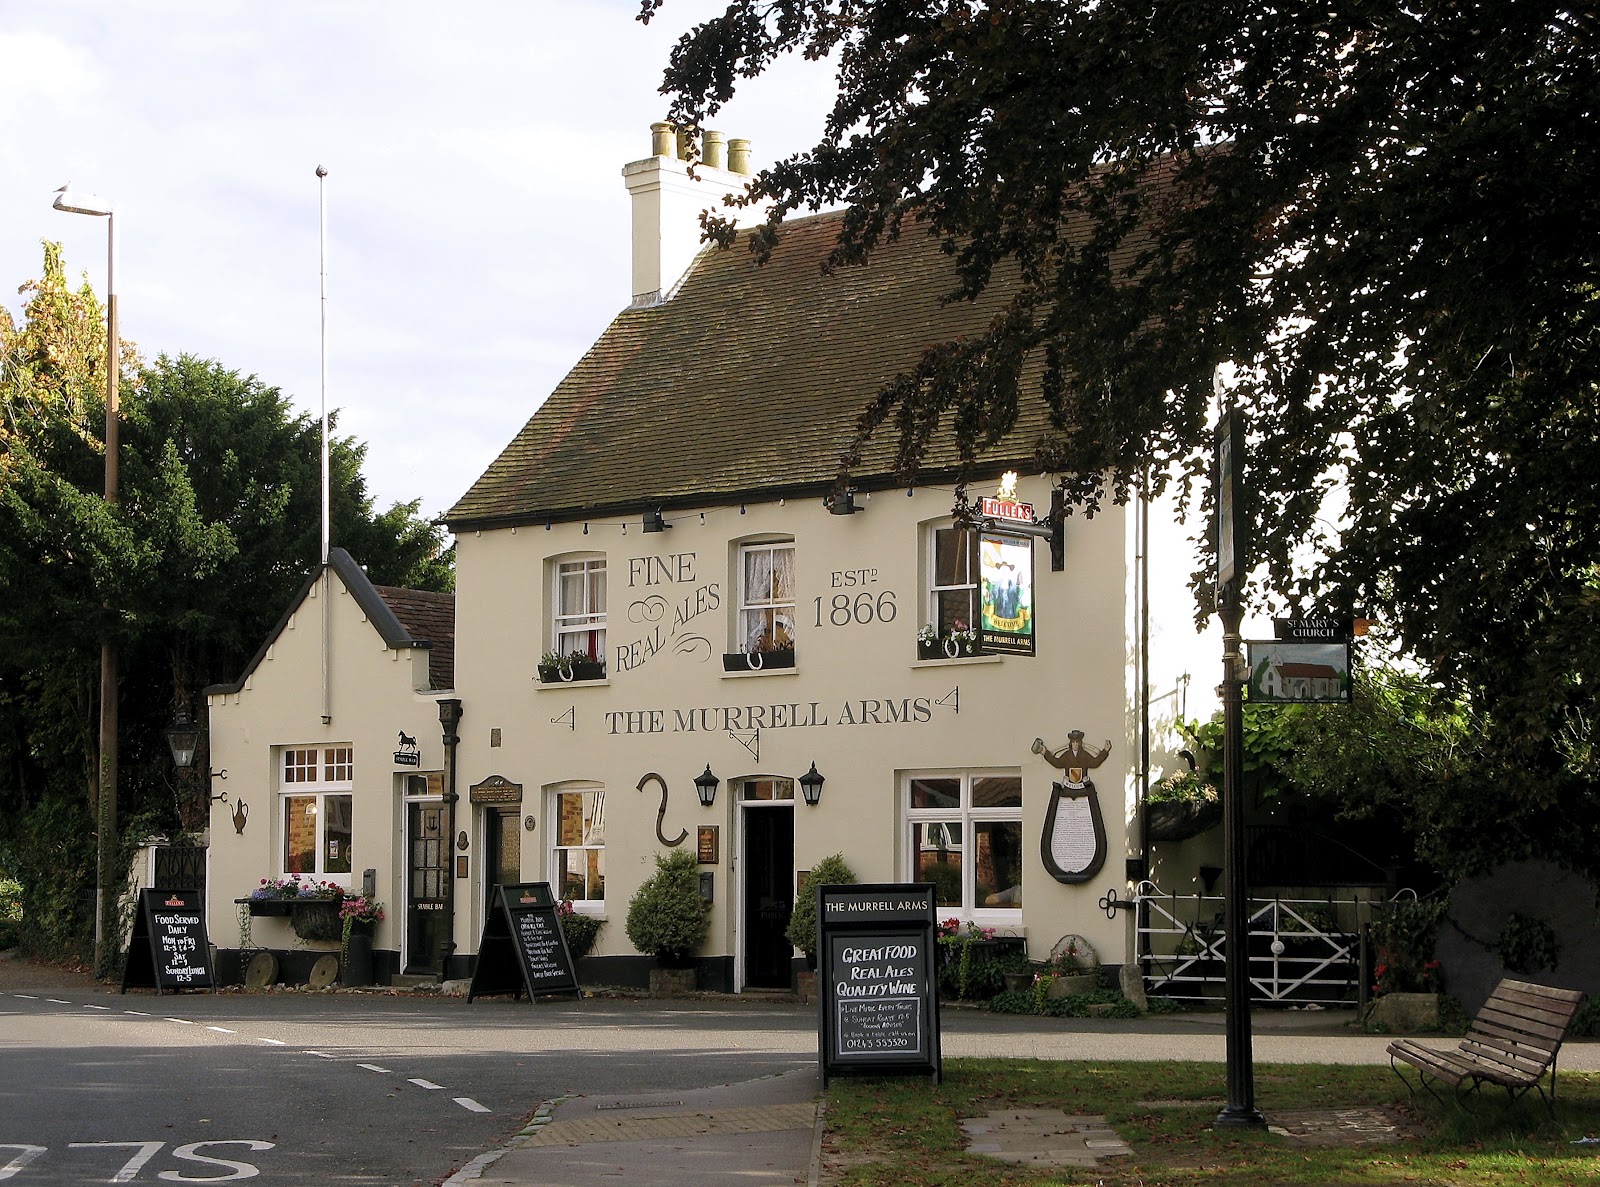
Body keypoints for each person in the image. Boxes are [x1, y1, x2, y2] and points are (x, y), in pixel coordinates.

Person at [1031, 730, 1112, 883]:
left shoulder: (1084, 756)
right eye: (1073, 742)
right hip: (1069, 785)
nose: (1075, 744)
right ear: (1070, 743)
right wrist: (1043, 751)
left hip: (1081, 785)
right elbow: (1056, 763)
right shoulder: (1067, 756)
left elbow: (1095, 763)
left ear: (1080, 743)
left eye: (1077, 742)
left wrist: (1105, 751)